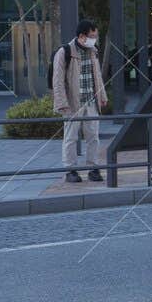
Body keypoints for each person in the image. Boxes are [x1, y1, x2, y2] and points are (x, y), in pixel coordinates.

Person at [52, 19, 107, 183]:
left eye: (95, 36)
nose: (94, 39)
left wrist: (102, 96)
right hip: (72, 103)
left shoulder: (93, 51)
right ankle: (70, 170)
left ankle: (93, 168)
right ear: (82, 36)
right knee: (71, 138)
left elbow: (97, 76)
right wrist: (61, 103)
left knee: (93, 137)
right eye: (92, 36)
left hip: (91, 101)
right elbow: (57, 81)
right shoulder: (64, 52)